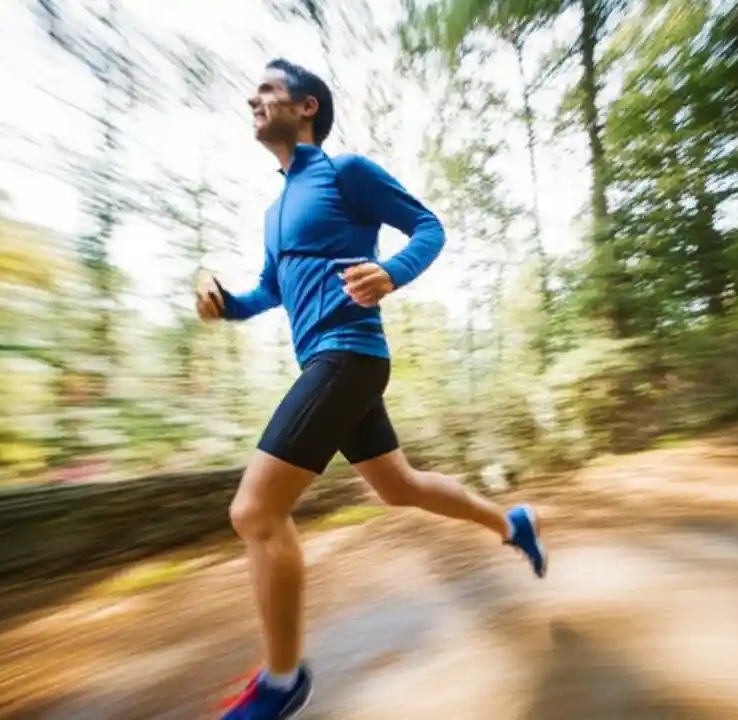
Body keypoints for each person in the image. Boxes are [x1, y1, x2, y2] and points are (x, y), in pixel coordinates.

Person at [197, 58, 546, 720]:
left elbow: (429, 228)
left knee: (255, 512)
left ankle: (281, 681)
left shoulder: (345, 173)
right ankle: (512, 522)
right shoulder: (275, 212)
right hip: (327, 366)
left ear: (307, 107)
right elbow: (270, 290)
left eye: (268, 89)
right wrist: (227, 305)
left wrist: (389, 273)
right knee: (399, 486)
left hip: (349, 357)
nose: (253, 97)